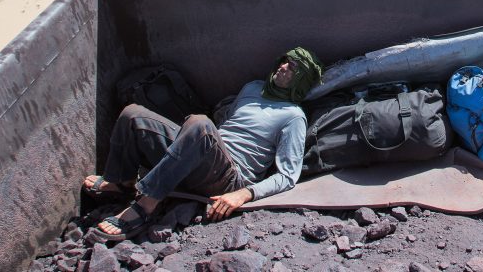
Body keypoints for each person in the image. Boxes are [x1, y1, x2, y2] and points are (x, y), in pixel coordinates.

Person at [83, 47, 323, 241]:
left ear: (301, 79)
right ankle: (122, 182)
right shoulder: (252, 88)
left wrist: (244, 194)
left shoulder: (293, 116)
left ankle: (145, 205)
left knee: (200, 125)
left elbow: (288, 176)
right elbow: (226, 123)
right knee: (133, 114)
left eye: (292, 67)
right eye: (284, 61)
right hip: (203, 156)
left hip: (230, 175)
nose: (282, 67)